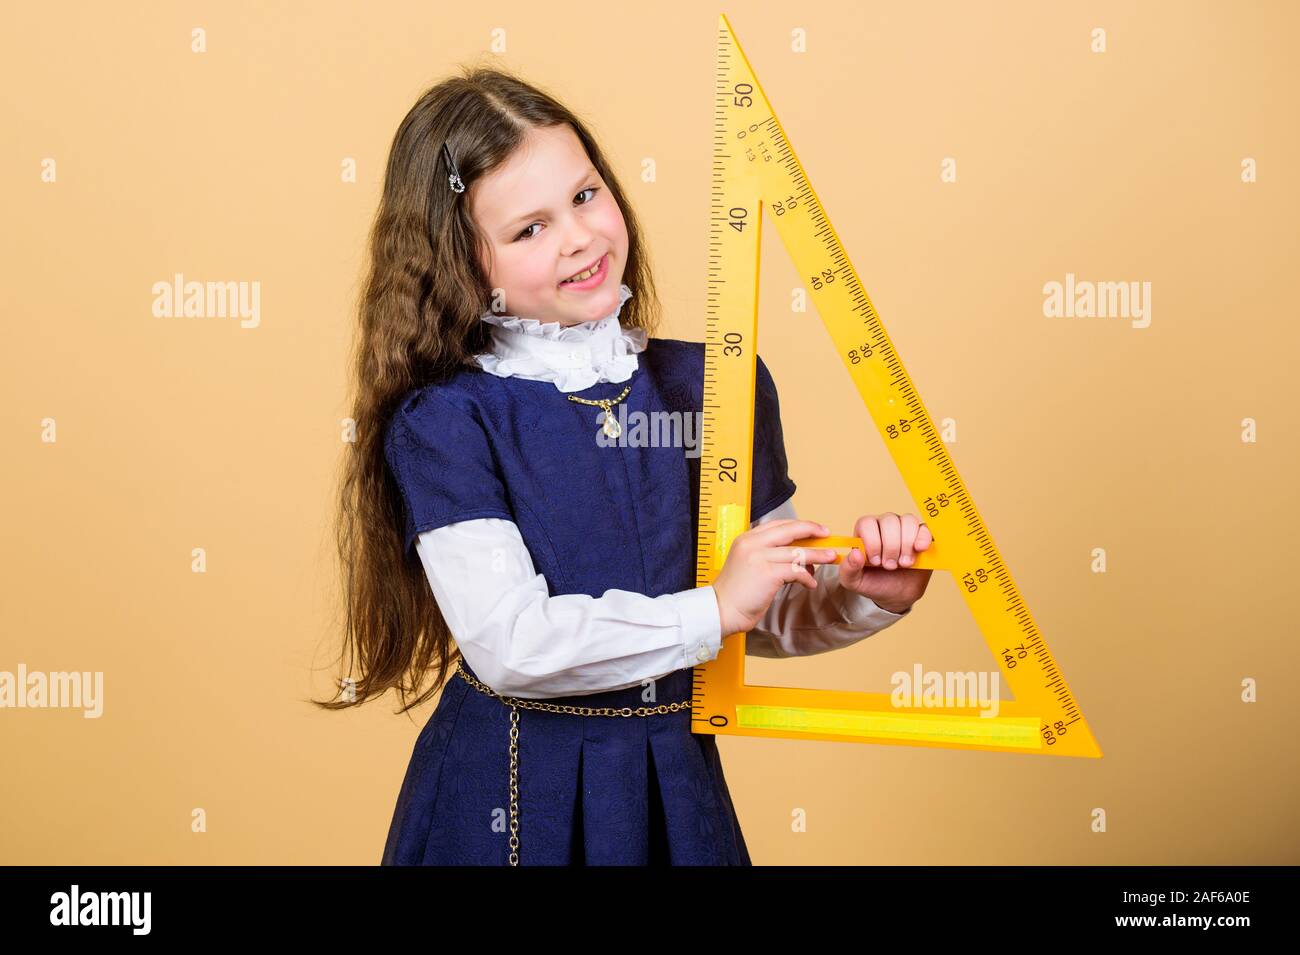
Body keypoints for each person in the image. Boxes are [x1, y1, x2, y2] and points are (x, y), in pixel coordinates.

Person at [321, 66, 934, 866]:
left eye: (584, 194)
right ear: (464, 269)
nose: (579, 237)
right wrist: (711, 609)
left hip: (671, 790)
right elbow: (513, 642)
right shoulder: (446, 424)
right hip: (509, 799)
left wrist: (860, 594)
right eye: (527, 229)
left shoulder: (716, 383)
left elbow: (762, 609)